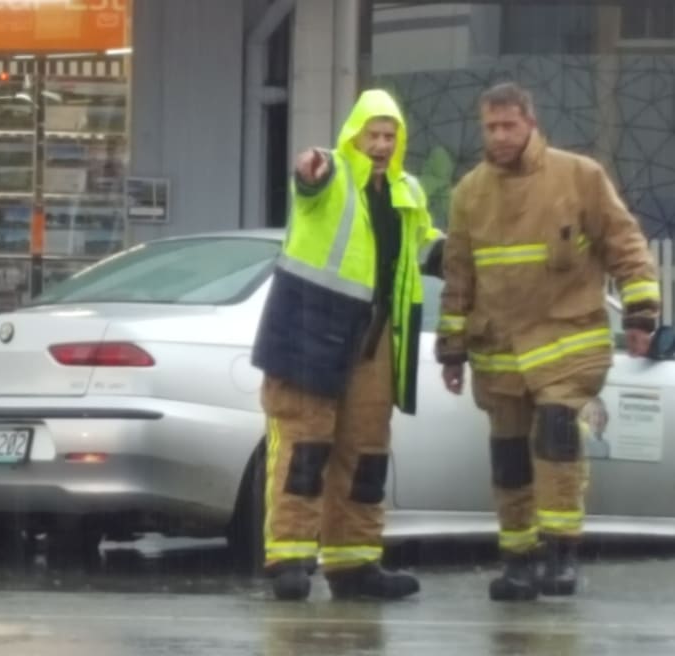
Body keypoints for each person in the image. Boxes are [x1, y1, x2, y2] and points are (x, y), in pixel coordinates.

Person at [436, 82, 659, 601]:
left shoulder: (578, 177)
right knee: (509, 456)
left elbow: (625, 243)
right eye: (491, 126)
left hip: (567, 339)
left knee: (557, 436)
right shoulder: (470, 192)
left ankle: (561, 554)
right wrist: (452, 347)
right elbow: (459, 274)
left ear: (530, 123)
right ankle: (518, 560)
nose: (500, 135)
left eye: (509, 125)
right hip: (499, 349)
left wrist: (641, 312)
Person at [251, 89, 445, 601]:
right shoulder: (333, 173)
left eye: (389, 136)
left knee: (365, 452)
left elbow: (426, 244)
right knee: (304, 446)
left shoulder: (407, 192)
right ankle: (289, 559)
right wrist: (307, 171)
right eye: (372, 135)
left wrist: (467, 256)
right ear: (353, 136)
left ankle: (354, 564)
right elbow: (309, 185)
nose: (380, 144)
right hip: (311, 330)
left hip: (374, 338)